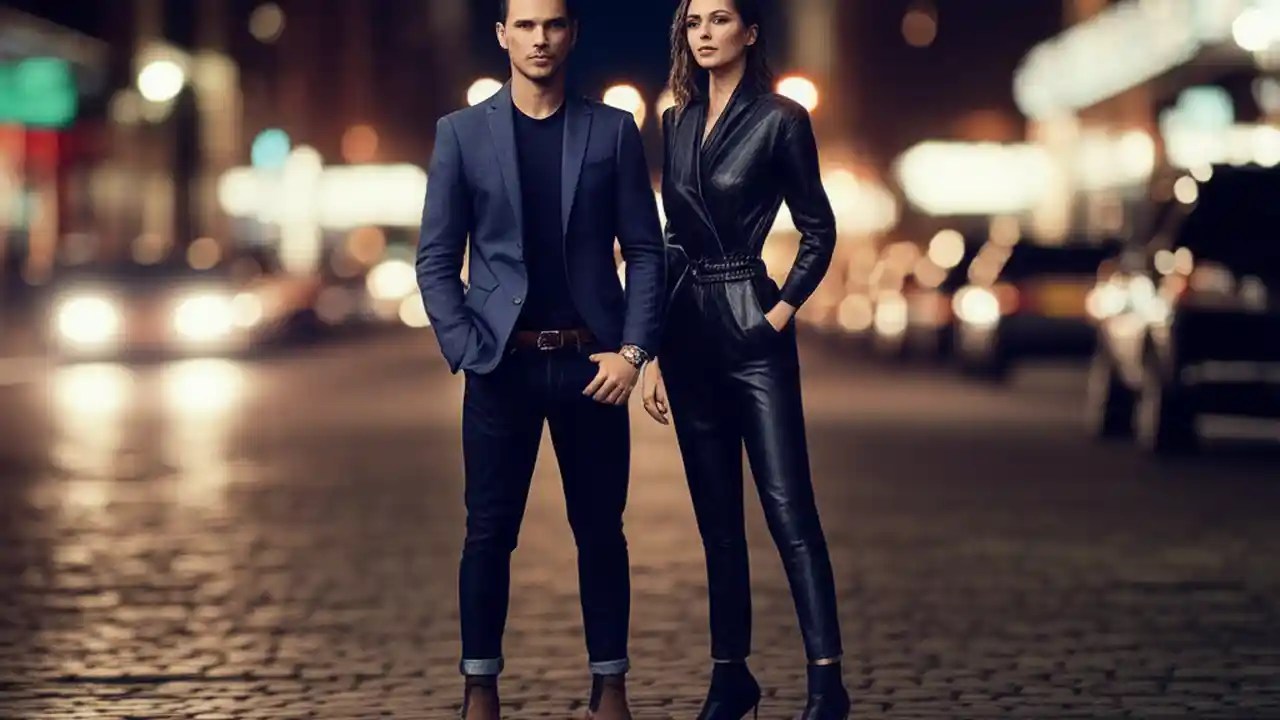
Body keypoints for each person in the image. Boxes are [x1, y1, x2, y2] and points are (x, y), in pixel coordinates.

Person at [415, 0, 665, 716]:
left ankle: (611, 682)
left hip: (594, 369)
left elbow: (646, 252)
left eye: (553, 25)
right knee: (488, 532)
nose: (540, 39)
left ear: (573, 33)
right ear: (502, 36)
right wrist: (466, 347)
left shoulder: (612, 131)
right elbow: (435, 259)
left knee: (600, 531)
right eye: (525, 25)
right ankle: (480, 687)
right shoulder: (460, 135)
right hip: (503, 368)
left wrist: (632, 350)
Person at [640, 0, 850, 718]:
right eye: (693, 21)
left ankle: (827, 680)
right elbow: (671, 242)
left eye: (720, 19)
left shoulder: (782, 119)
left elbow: (818, 229)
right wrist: (653, 351)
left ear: (750, 32)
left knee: (790, 508)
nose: (704, 33)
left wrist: (780, 313)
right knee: (716, 522)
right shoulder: (675, 121)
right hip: (689, 333)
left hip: (753, 325)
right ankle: (731, 676)